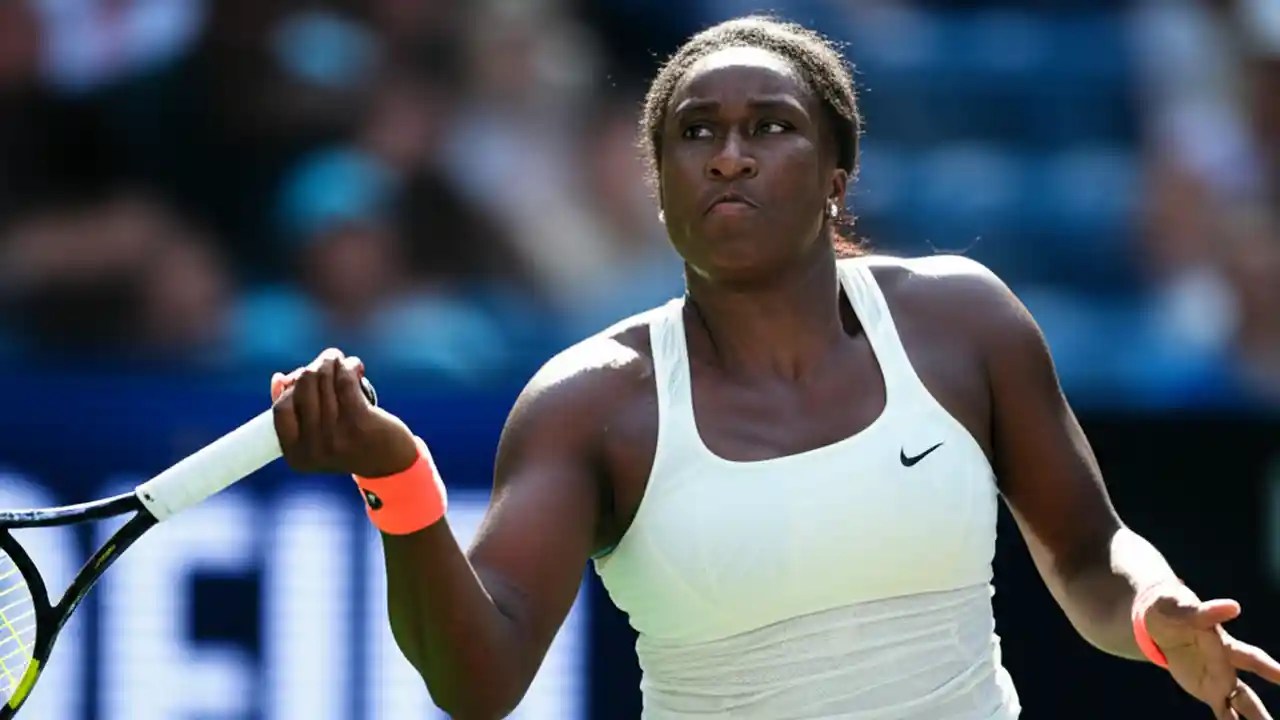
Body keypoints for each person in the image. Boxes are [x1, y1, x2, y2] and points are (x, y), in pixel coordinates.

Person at [269, 15, 1280, 720]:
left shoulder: (963, 320)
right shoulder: (585, 404)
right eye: (694, 133)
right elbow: (478, 682)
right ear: (659, 183)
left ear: (835, 178)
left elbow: (1087, 553)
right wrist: (396, 481)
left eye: (769, 128)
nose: (727, 155)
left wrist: (1153, 614)